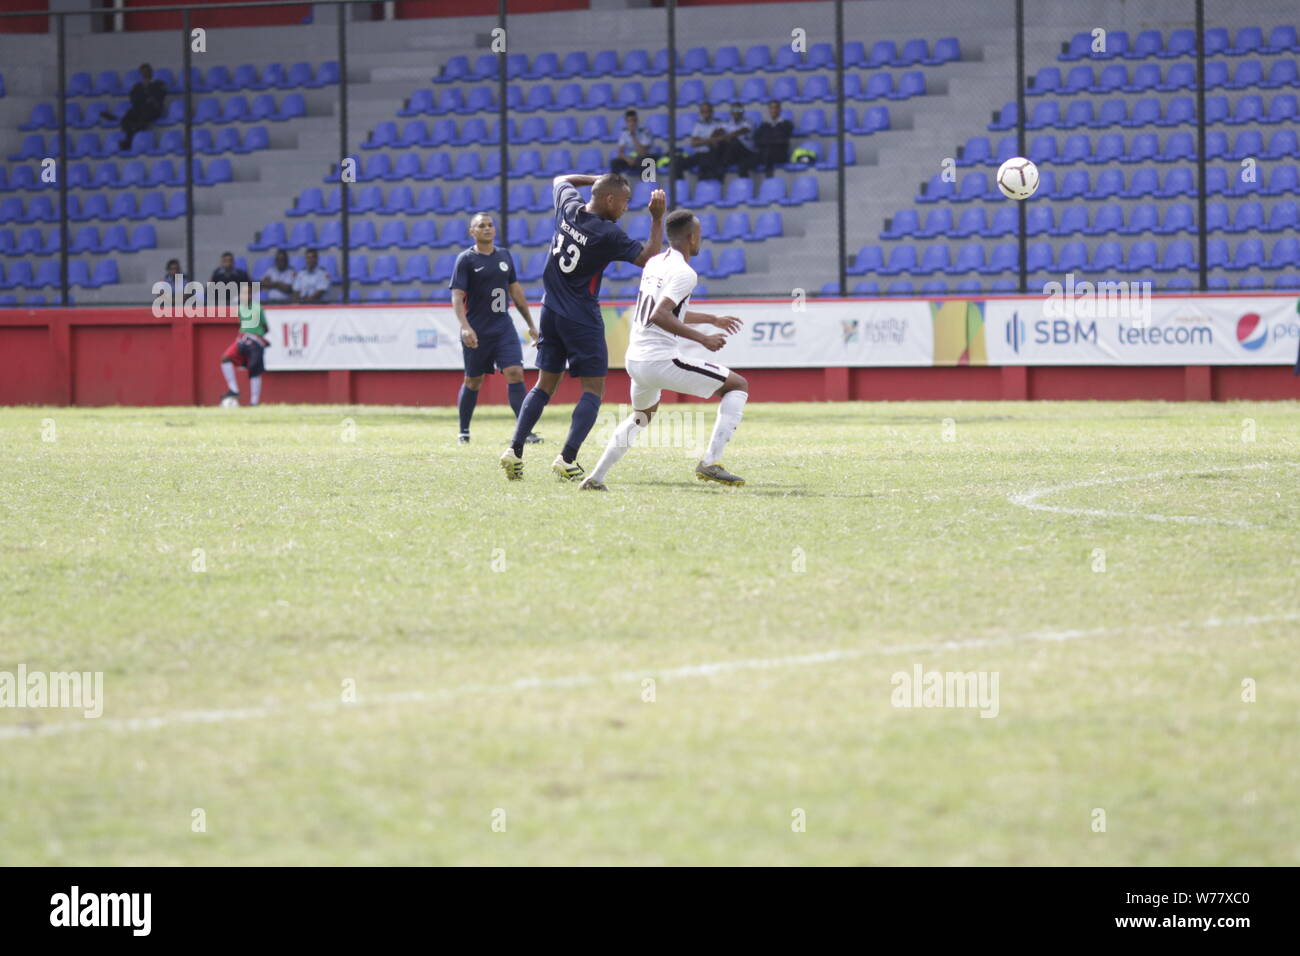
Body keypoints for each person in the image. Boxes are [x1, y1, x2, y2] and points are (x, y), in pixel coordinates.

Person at [500, 173, 665, 482]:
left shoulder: (569, 207)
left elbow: (560, 179)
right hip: (581, 317)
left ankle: (515, 449)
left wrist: (594, 178)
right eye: (625, 201)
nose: (627, 207)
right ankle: (567, 458)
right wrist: (657, 219)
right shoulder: (608, 234)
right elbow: (649, 258)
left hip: (550, 310)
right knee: (593, 389)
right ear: (610, 200)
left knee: (543, 385)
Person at [580, 209, 748, 491]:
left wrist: (711, 320)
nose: (700, 239)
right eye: (699, 234)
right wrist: (703, 339)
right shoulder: (686, 273)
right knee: (737, 385)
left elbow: (667, 311)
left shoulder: (656, 262)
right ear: (692, 237)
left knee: (641, 416)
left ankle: (595, 478)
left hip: (635, 359)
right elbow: (660, 315)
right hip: (659, 360)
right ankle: (710, 462)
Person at [449, 211, 541, 445]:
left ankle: (524, 431)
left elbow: (516, 292)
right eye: (481, 226)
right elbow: (458, 297)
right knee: (473, 381)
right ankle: (464, 431)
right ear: (472, 232)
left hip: (503, 327)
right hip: (477, 330)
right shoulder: (466, 260)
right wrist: (465, 327)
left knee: (515, 372)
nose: (487, 228)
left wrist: (531, 324)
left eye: (490, 225)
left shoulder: (505, 256)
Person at [218, 283, 270, 407]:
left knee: (254, 370)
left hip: (255, 342)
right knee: (225, 358)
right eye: (243, 293)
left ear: (252, 295)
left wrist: (257, 334)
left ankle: (254, 402)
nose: (245, 296)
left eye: (248, 293)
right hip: (242, 339)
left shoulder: (258, 308)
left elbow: (265, 327)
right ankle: (234, 389)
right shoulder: (240, 308)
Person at [115, 63, 166, 153]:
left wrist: (148, 96)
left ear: (151, 72)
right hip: (139, 109)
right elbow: (133, 99)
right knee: (127, 117)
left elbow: (159, 97)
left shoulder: (158, 84)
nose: (145, 74)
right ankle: (131, 135)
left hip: (152, 110)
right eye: (143, 72)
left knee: (144, 116)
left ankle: (132, 138)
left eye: (147, 71)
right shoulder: (137, 87)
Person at [681, 103, 730, 183]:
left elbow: (721, 139)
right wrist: (711, 139)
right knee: (678, 164)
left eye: (707, 111)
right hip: (699, 154)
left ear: (712, 112)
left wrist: (702, 140)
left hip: (712, 154)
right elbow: (694, 143)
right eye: (703, 112)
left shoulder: (719, 123)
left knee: (707, 168)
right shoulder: (698, 124)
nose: (705, 114)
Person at [611, 109, 659, 177]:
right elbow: (620, 153)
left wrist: (633, 136)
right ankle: (615, 185)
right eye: (629, 121)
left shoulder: (644, 131)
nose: (632, 123)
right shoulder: (624, 133)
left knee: (644, 161)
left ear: (637, 121)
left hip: (649, 156)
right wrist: (627, 159)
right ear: (626, 122)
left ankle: (645, 185)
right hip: (634, 158)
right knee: (615, 162)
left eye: (634, 120)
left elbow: (642, 152)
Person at [754, 99, 794, 175]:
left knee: (769, 151)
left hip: (780, 154)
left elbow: (782, 140)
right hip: (764, 152)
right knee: (747, 160)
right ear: (769, 110)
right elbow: (757, 140)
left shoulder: (786, 124)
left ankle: (769, 178)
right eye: (771, 108)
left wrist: (767, 140)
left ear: (780, 110)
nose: (774, 110)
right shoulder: (764, 125)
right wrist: (771, 139)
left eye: (776, 107)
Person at [720, 102, 759, 178]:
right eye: (734, 109)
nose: (736, 112)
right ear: (731, 112)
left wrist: (728, 136)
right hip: (734, 153)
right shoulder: (727, 123)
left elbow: (743, 130)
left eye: (739, 110)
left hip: (748, 152)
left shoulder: (748, 122)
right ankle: (720, 166)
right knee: (719, 144)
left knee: (734, 141)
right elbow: (719, 131)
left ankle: (724, 164)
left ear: (743, 111)